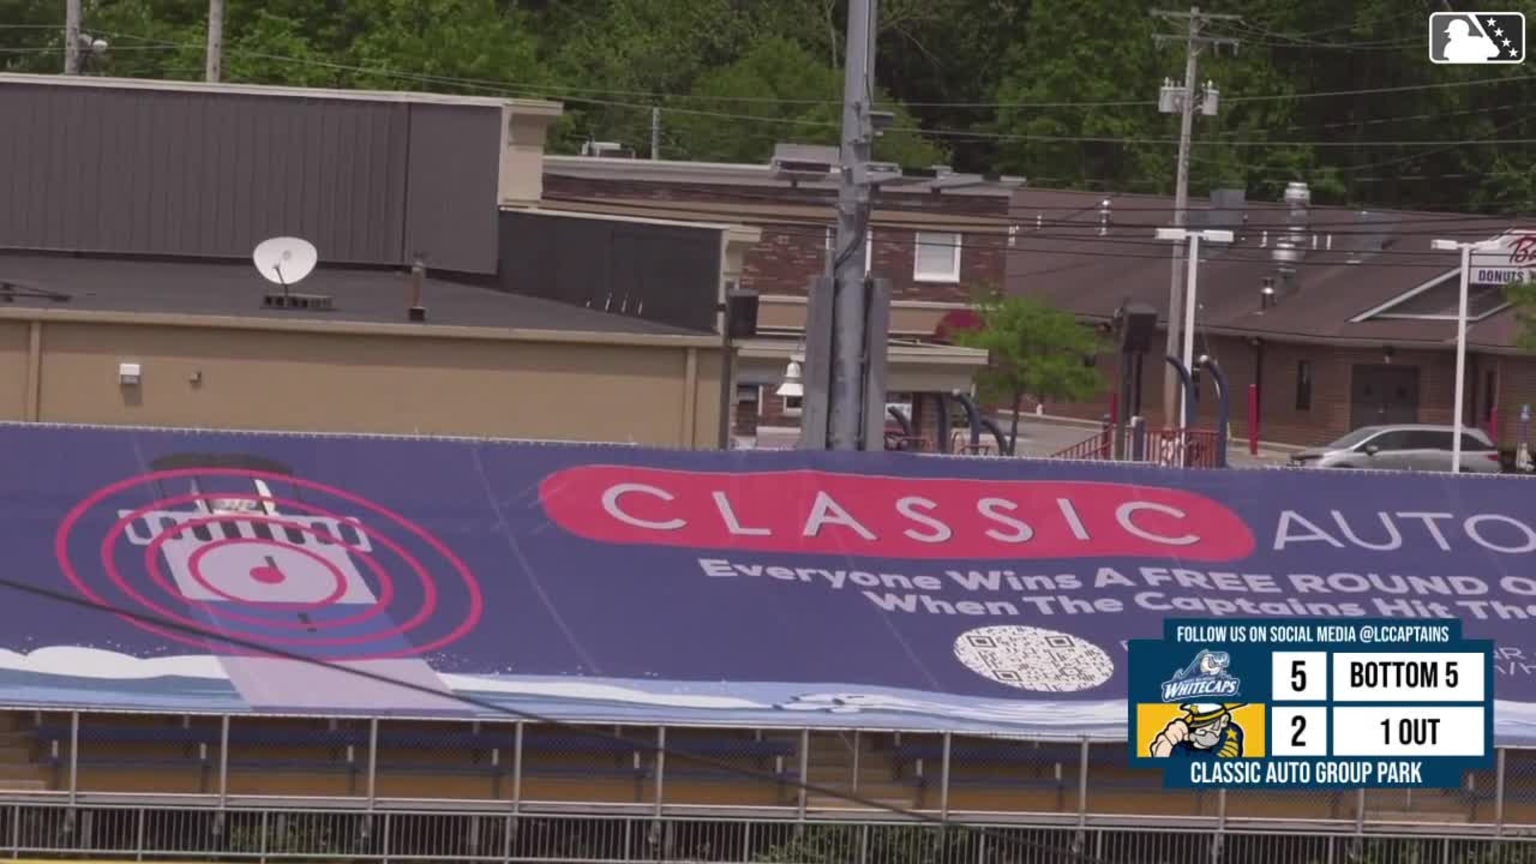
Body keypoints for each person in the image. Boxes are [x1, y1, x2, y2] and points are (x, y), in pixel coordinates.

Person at [1148, 703, 1244, 758]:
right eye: (1200, 726)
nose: (1203, 731)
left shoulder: (1231, 731)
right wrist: (1165, 748)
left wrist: (1192, 738)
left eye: (1210, 725)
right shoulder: (1182, 748)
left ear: (1224, 720)